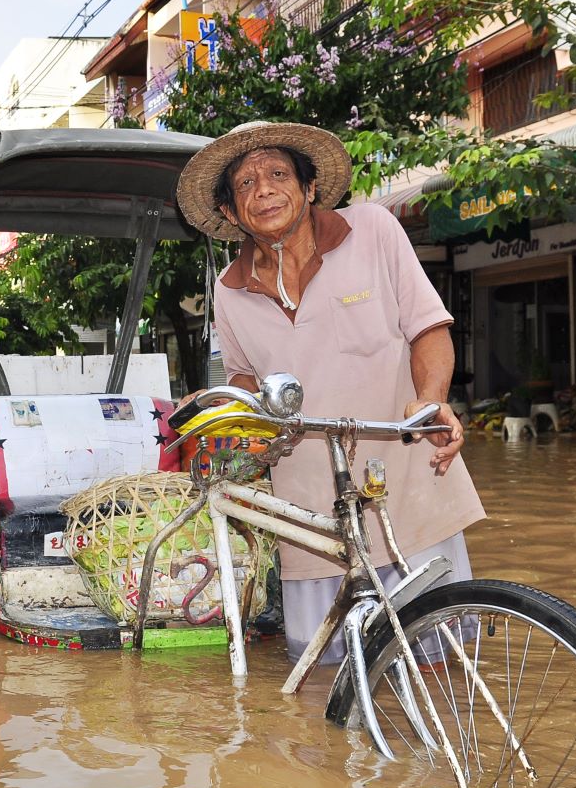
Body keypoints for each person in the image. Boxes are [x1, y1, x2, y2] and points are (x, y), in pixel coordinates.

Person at [174, 121, 485, 664]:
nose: (264, 190)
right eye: (245, 184)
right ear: (230, 211)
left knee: (442, 663)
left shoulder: (373, 229)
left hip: (405, 479)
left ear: (310, 186)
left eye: (278, 174)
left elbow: (427, 328)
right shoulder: (229, 292)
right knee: (323, 674)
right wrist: (222, 407)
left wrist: (431, 398)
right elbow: (246, 381)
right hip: (308, 511)